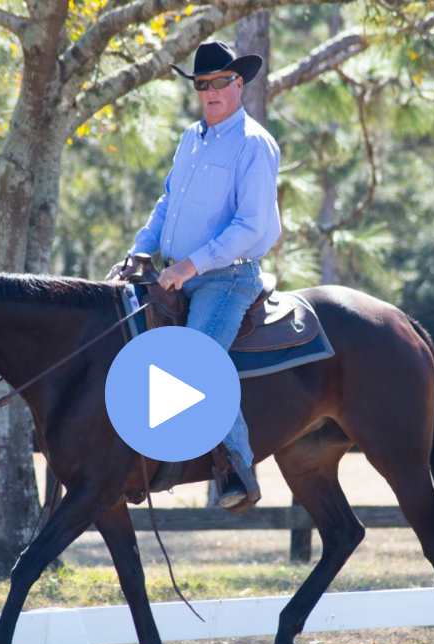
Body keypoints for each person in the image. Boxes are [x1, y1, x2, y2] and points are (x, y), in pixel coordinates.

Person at [126, 40, 282, 510]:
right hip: (173, 271)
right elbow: (167, 203)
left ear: (239, 84)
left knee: (196, 360)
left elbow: (253, 226)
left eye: (219, 82)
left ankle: (237, 468)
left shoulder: (255, 144)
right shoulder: (190, 139)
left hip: (226, 278)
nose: (210, 91)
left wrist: (191, 265)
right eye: (201, 84)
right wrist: (140, 250)